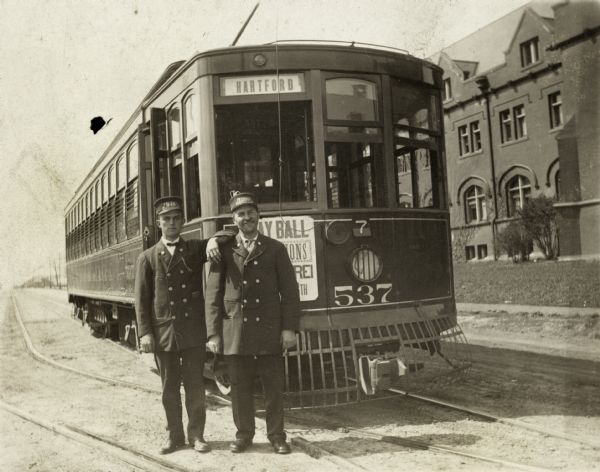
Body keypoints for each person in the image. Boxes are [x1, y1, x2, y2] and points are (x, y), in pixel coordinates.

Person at [134, 196, 231, 455]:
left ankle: (197, 436)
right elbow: (142, 301)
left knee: (195, 388)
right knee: (168, 390)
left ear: (183, 222)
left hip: (191, 333)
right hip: (164, 333)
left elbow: (226, 235)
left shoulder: (194, 249)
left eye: (177, 219)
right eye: (167, 219)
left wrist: (212, 240)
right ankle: (174, 437)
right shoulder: (148, 257)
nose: (172, 223)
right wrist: (145, 333)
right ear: (158, 223)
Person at [205, 191, 299, 455]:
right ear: (234, 219)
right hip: (236, 331)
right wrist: (213, 333)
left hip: (268, 329)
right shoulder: (223, 250)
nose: (246, 218)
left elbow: (290, 293)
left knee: (273, 388)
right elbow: (213, 295)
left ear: (258, 216)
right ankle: (243, 435)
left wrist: (289, 328)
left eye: (250, 213)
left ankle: (277, 436)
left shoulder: (275, 248)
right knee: (240, 389)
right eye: (240, 214)